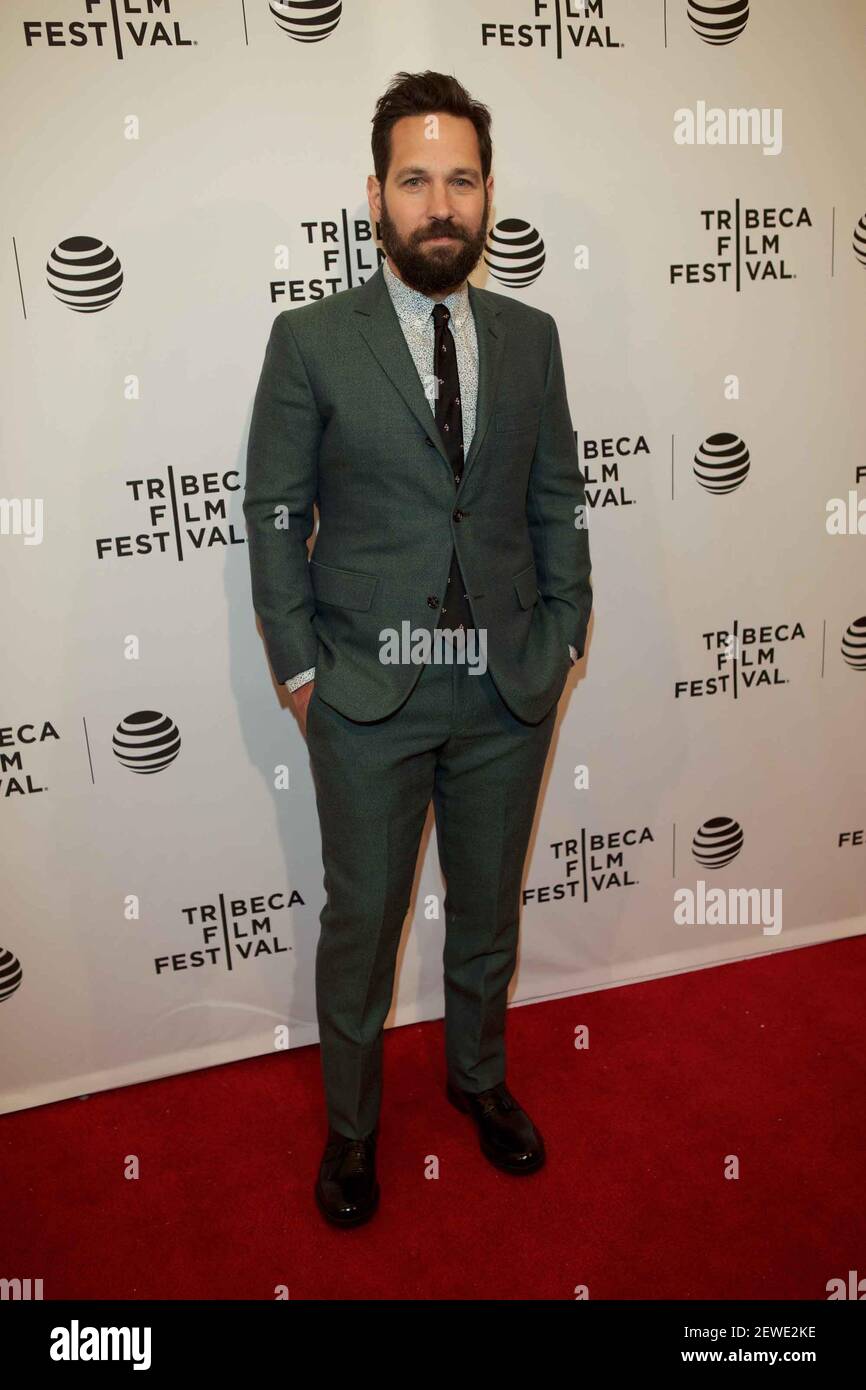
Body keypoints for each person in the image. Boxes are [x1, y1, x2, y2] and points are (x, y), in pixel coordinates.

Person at [242, 70, 592, 1227]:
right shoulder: (309, 342)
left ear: (487, 192)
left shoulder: (530, 337)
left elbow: (556, 504)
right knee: (363, 923)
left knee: (487, 911)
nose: (437, 204)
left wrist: (561, 636)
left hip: (504, 688)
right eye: (413, 180)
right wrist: (301, 673)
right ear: (374, 197)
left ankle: (478, 1079)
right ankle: (352, 1131)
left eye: (458, 179)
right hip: (365, 693)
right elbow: (275, 513)